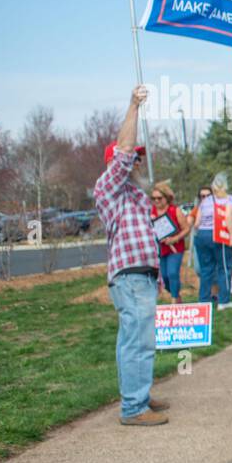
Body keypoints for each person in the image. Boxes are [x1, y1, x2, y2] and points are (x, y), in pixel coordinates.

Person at [93, 86, 170, 427]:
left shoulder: (135, 197)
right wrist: (133, 106)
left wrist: (159, 276)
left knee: (133, 340)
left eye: (139, 156)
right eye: (133, 157)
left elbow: (148, 239)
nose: (137, 160)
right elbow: (124, 149)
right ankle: (134, 408)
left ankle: (136, 394)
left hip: (141, 275)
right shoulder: (109, 188)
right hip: (129, 277)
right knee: (139, 341)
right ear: (116, 163)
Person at [193, 173, 232, 311]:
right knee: (224, 267)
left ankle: (203, 300)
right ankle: (224, 301)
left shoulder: (206, 201)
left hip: (201, 235)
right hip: (218, 235)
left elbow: (197, 222)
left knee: (206, 269)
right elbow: (228, 217)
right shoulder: (228, 199)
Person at [150, 182, 189, 304]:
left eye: (159, 198)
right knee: (165, 277)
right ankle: (177, 298)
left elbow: (186, 228)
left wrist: (175, 239)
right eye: (154, 198)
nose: (156, 201)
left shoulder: (175, 210)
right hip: (160, 250)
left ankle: (174, 302)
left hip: (175, 249)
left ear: (166, 198)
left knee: (172, 273)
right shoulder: (151, 212)